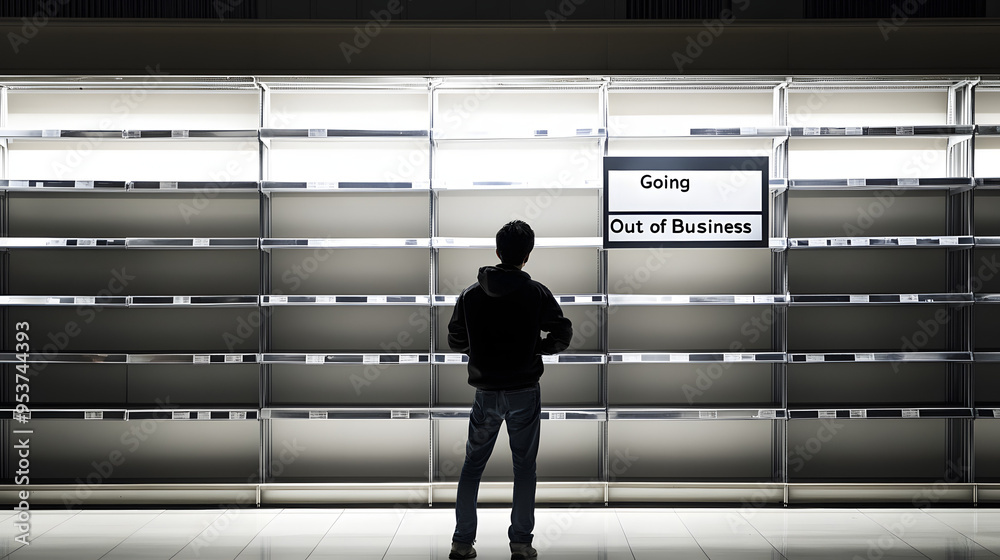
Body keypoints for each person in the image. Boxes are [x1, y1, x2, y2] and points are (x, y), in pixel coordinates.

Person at [447, 220, 573, 560]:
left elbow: (454, 339)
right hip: (524, 391)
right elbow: (562, 334)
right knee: (524, 467)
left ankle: (462, 542)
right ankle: (520, 543)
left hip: (486, 392)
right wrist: (536, 347)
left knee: (473, 465)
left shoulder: (471, 295)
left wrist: (478, 347)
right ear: (527, 255)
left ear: (498, 251)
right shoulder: (537, 294)